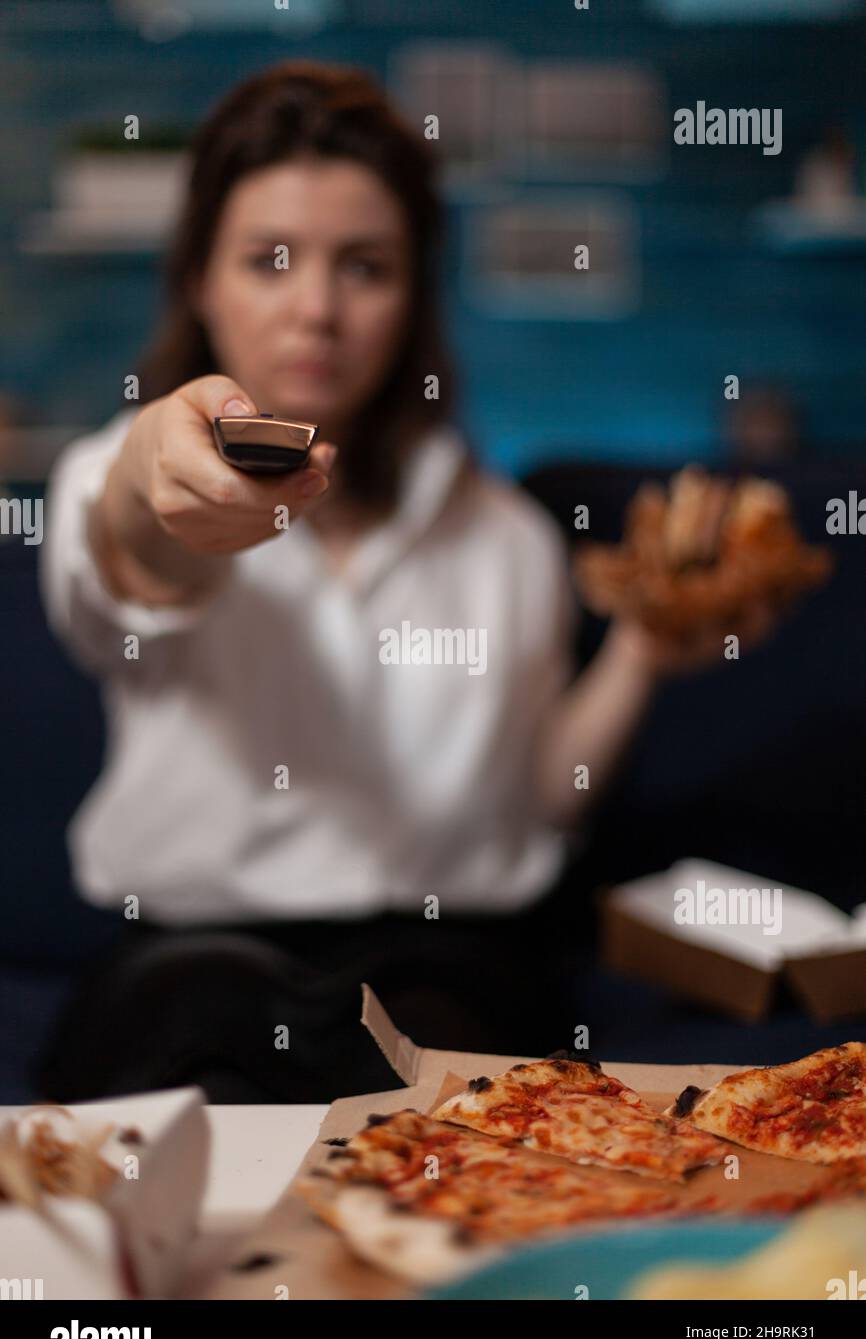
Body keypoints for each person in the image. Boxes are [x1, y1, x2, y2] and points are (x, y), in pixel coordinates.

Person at [37, 63, 768, 1103]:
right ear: (199, 277)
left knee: (446, 1083)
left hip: (449, 954)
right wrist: (153, 480)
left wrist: (642, 652)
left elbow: (539, 806)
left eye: (365, 267)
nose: (317, 309)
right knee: (180, 1045)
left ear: (412, 293)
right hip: (187, 953)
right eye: (269, 261)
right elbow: (130, 556)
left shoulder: (506, 538)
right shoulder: (116, 475)